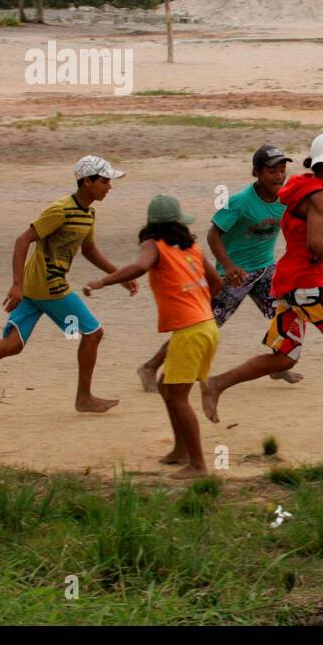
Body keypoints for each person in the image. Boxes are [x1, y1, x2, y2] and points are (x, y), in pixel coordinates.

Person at [200, 132, 323, 435]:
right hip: (305, 285)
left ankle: (217, 384)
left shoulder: (302, 185)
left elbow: (301, 247)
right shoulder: (320, 194)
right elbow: (314, 244)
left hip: (288, 281)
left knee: (284, 358)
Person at [0, 156, 134, 416]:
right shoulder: (61, 209)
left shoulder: (88, 213)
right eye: (105, 181)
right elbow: (23, 240)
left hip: (35, 287)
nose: (109, 187)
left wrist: (119, 275)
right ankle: (84, 398)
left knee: (12, 345)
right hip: (49, 287)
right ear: (87, 182)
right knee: (93, 333)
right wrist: (16, 284)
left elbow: (89, 250)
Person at [137, 145, 304, 391]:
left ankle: (276, 365)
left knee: (285, 313)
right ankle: (150, 367)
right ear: (256, 172)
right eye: (272, 171)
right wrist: (228, 266)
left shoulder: (285, 198)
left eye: (282, 170)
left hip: (266, 269)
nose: (279, 176)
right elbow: (213, 234)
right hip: (234, 275)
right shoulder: (238, 202)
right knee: (202, 323)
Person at [85, 195, 223, 479]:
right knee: (167, 387)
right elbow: (217, 283)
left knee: (179, 398)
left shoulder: (153, 245)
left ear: (151, 225)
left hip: (190, 331)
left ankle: (197, 464)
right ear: (179, 224)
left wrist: (102, 281)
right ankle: (180, 451)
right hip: (206, 326)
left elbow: (139, 267)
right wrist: (198, 305)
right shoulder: (192, 248)